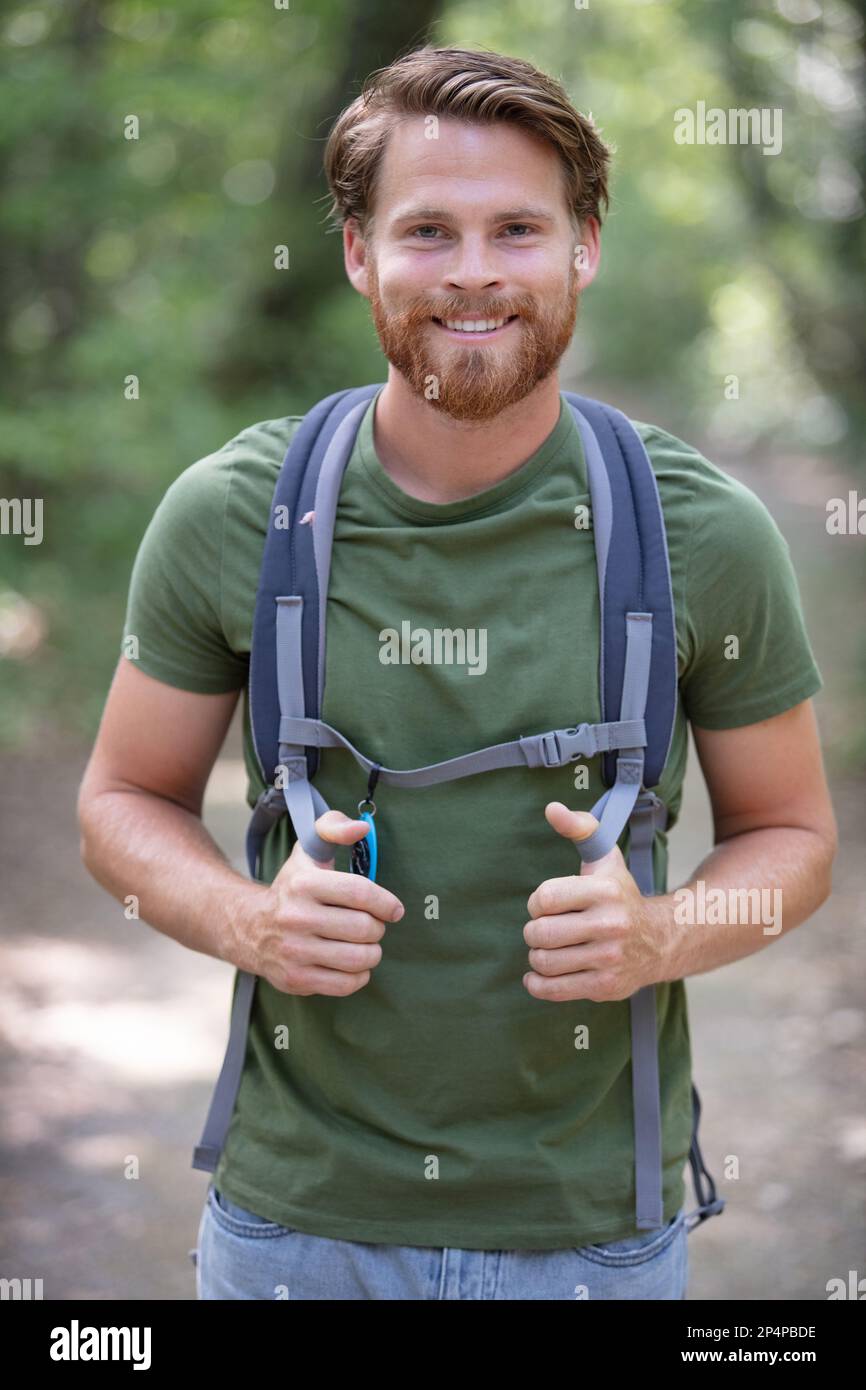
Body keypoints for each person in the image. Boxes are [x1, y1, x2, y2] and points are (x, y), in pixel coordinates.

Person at [77, 45, 837, 1301]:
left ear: (582, 247)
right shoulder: (233, 513)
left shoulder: (702, 531)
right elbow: (120, 805)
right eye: (426, 229)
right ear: (357, 254)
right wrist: (251, 922)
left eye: (517, 229)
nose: (474, 271)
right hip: (292, 1229)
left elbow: (794, 839)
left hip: (598, 1236)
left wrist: (656, 935)